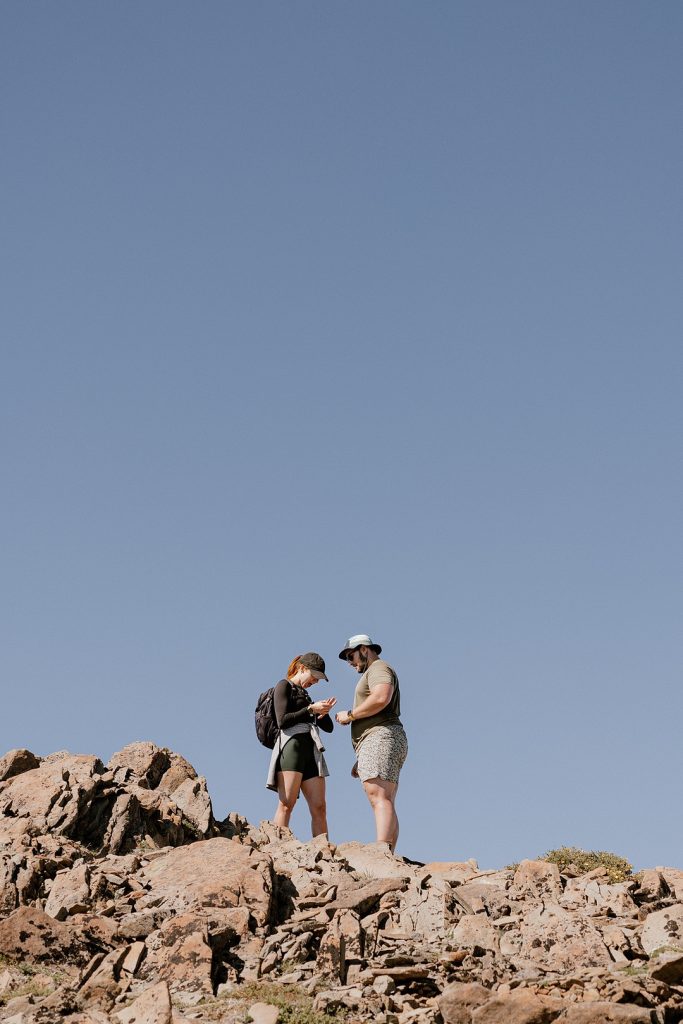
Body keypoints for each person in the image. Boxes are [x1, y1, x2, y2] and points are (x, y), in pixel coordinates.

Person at [335, 634, 407, 852]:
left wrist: (350, 714)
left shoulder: (378, 668)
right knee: (385, 799)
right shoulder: (377, 669)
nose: (350, 662)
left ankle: (381, 852)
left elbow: (381, 696)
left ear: (364, 649)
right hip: (383, 738)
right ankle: (388, 854)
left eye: (351, 656)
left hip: (380, 736)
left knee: (379, 798)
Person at [267, 652, 337, 837]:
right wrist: (309, 709)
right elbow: (282, 720)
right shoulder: (283, 686)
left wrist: (323, 712)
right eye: (314, 677)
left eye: (318, 679)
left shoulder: (306, 696)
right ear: (302, 668)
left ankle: (325, 853)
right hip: (292, 747)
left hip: (311, 751)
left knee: (320, 807)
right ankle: (278, 846)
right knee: (287, 803)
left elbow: (329, 727)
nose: (315, 682)